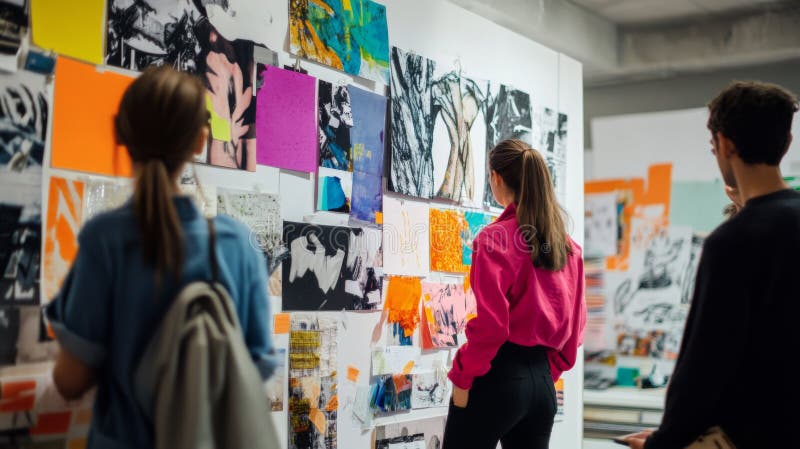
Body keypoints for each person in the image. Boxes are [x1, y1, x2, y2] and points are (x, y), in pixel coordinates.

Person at [45, 66, 277, 448]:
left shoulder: (105, 240)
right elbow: (253, 366)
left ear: (120, 134)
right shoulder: (236, 246)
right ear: (201, 140)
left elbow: (70, 381)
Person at [624, 81, 800, 449]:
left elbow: (704, 365)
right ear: (787, 143)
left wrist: (664, 442)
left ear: (724, 144)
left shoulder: (732, 241)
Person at [443, 140, 586, 449]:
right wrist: (541, 376)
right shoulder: (570, 250)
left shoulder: (493, 240)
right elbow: (573, 335)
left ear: (496, 178)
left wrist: (462, 375)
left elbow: (492, 328)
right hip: (543, 386)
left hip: (499, 376)